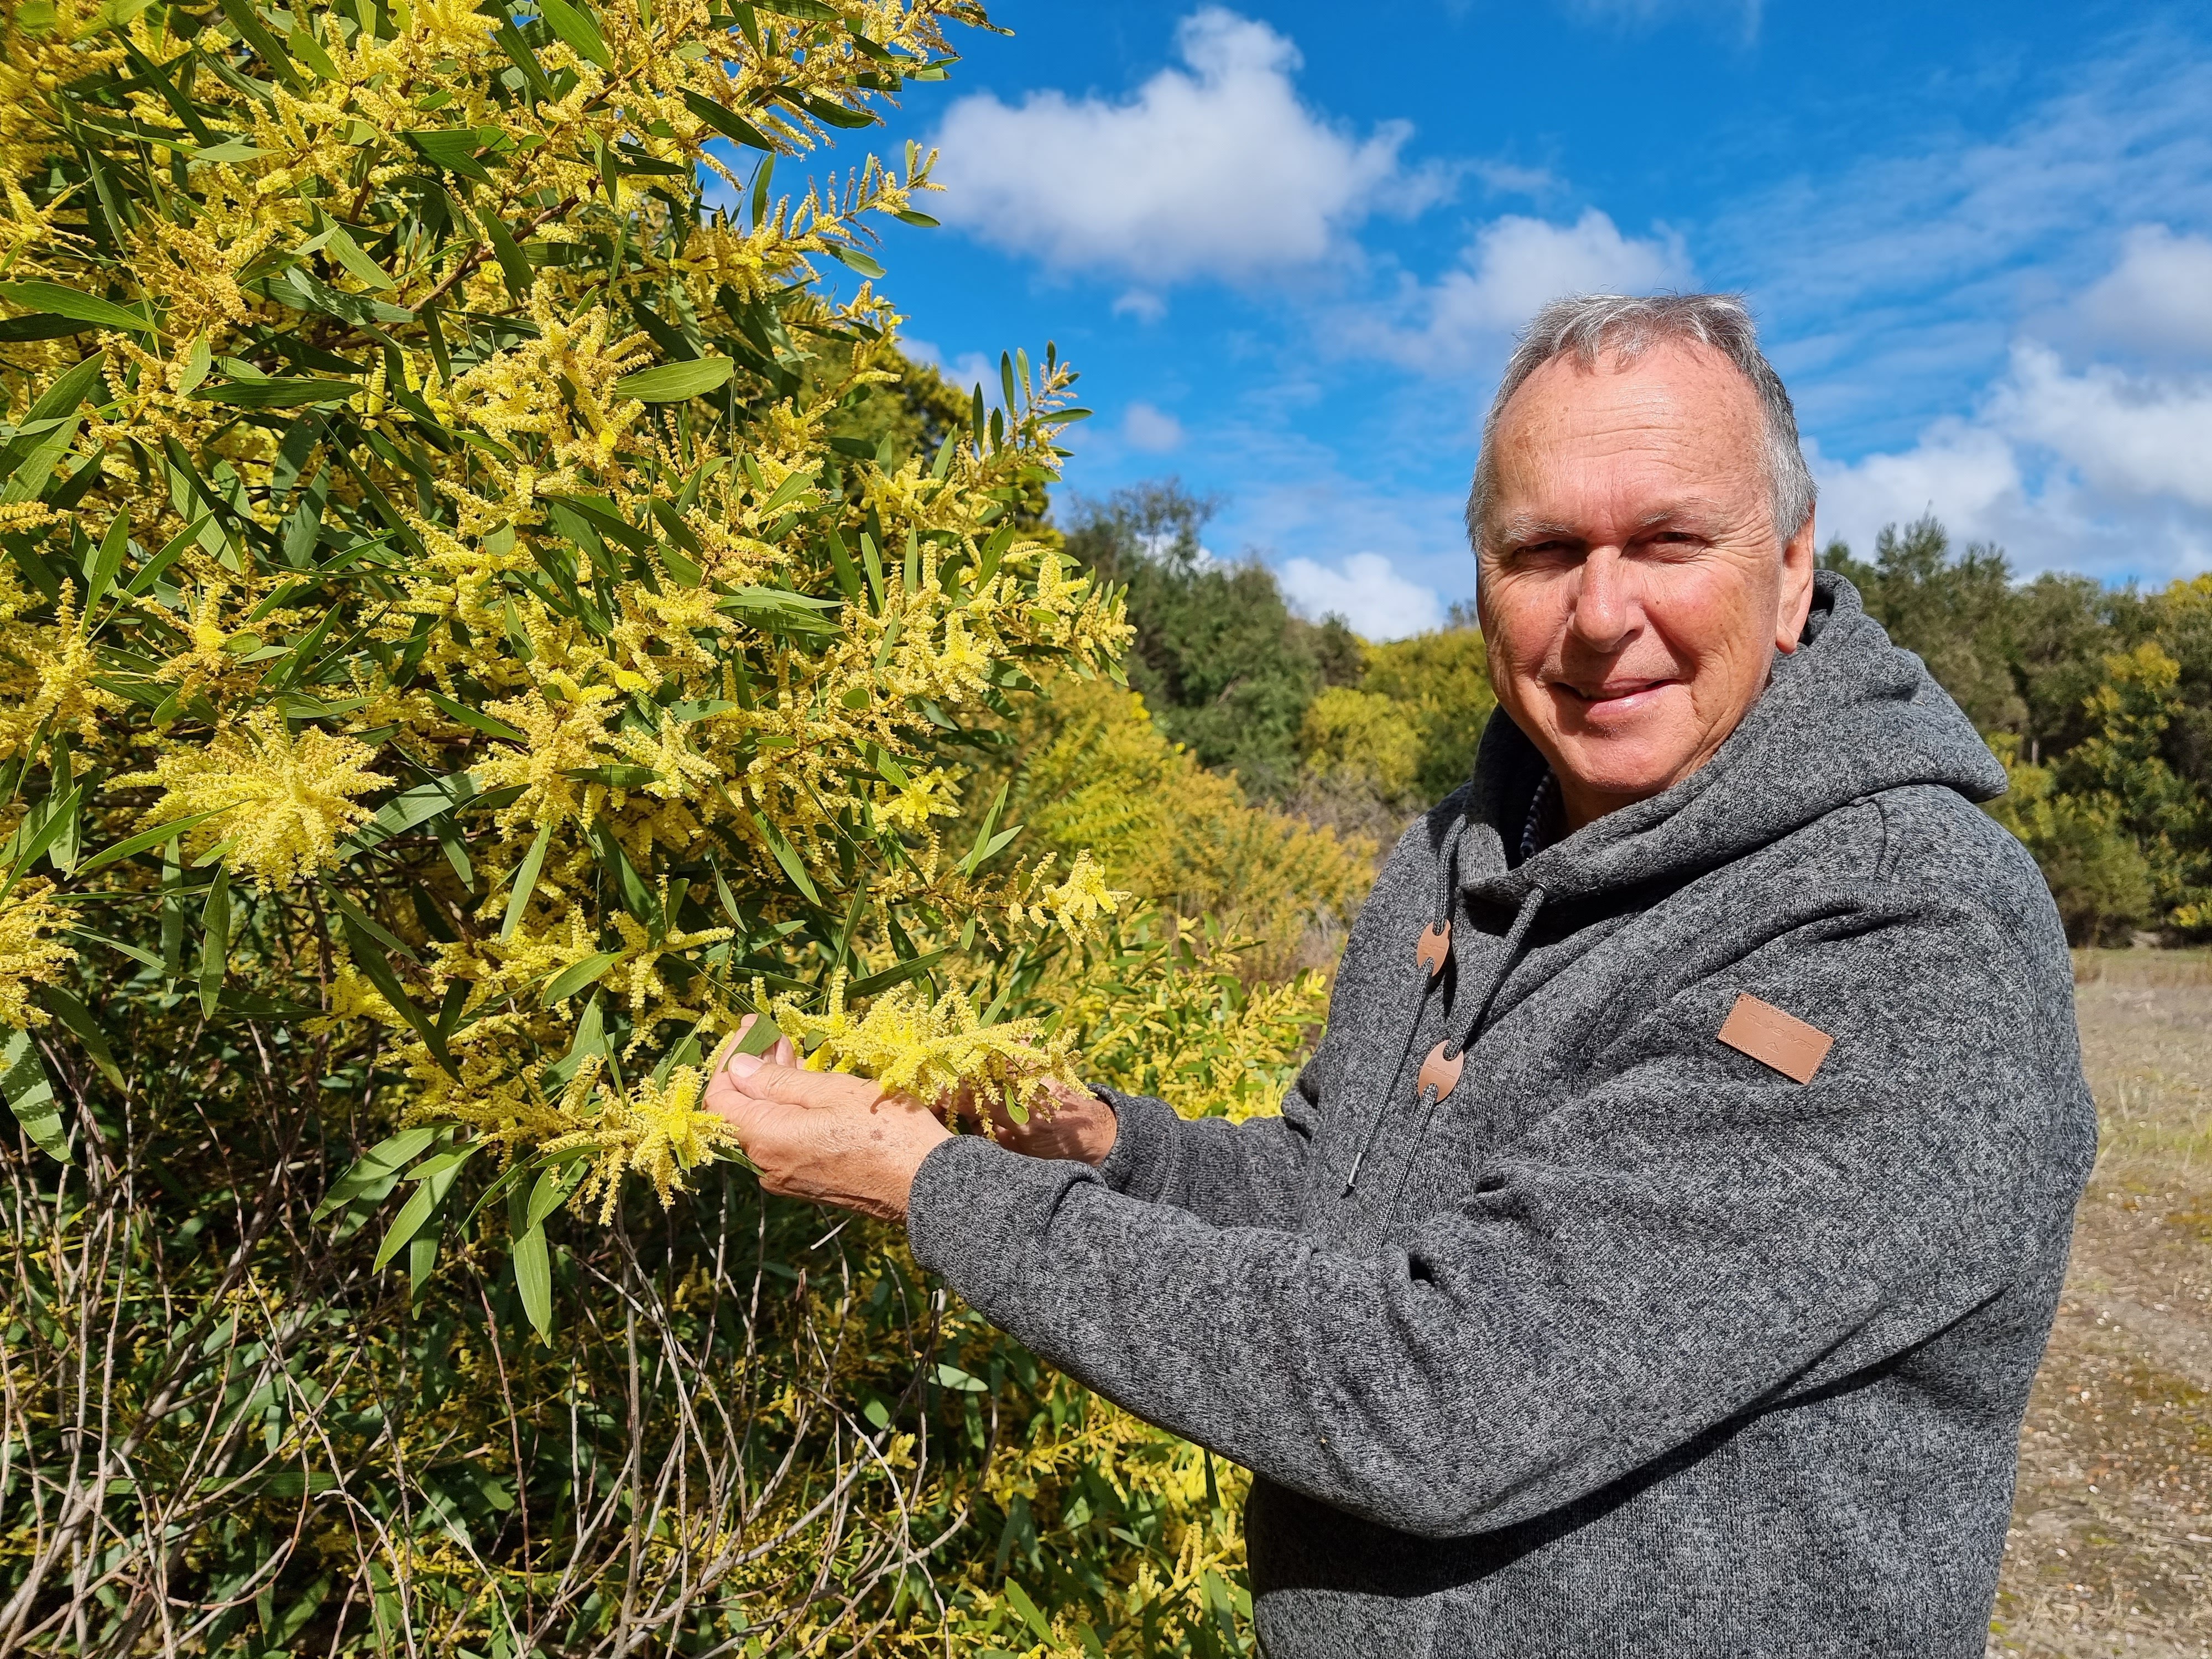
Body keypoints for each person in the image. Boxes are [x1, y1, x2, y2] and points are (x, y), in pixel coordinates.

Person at [706, 293, 2095, 1657]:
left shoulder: (1901, 929)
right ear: (1480, 578)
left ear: (1789, 570)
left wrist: (931, 1187)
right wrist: (1099, 1146)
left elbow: (1445, 1397)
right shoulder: (1455, 855)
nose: (1599, 613)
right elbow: (1331, 1197)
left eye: (1667, 541)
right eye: (1542, 550)